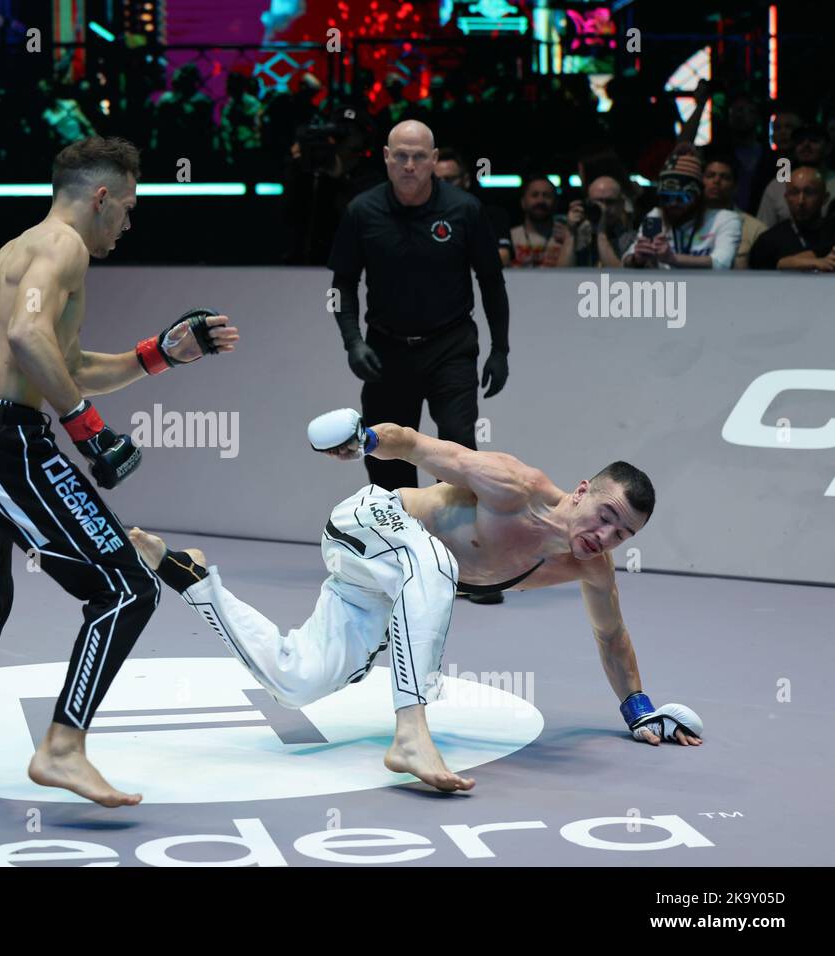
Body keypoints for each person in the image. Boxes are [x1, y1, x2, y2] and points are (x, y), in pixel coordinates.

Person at [0, 137, 240, 807]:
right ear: (100, 198)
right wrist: (86, 428)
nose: (128, 225)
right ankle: (63, 748)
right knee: (128, 586)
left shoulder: (20, 249)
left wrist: (162, 353)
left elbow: (59, 360)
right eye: (126, 210)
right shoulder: (63, 246)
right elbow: (27, 338)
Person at [127, 408, 704, 793]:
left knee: (297, 681)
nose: (606, 537)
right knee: (435, 563)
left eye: (622, 534)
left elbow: (611, 637)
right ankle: (410, 735)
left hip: (383, 581)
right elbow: (420, 445)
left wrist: (637, 709)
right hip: (368, 523)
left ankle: (189, 576)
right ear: (582, 492)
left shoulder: (590, 567)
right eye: (606, 516)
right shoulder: (513, 486)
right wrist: (366, 442)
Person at [328, 120, 509, 604]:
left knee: (458, 451)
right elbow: (342, 284)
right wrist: (351, 342)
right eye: (400, 156)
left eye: (419, 157)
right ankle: (401, 563)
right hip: (385, 349)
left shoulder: (464, 210)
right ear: (386, 156)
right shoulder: (361, 212)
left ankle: (470, 566)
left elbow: (492, 281)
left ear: (433, 159)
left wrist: (501, 348)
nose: (409, 165)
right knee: (385, 455)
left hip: (451, 344)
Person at [623, 153, 741, 270]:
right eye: (666, 198)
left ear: (698, 196)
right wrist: (637, 259)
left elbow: (721, 263)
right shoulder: (656, 216)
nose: (673, 204)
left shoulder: (724, 219)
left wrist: (672, 258)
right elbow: (627, 258)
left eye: (682, 198)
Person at [748, 165, 835, 271]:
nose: (801, 201)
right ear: (786, 198)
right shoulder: (768, 241)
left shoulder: (831, 231)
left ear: (825, 198)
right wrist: (816, 263)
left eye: (809, 192)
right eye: (794, 193)